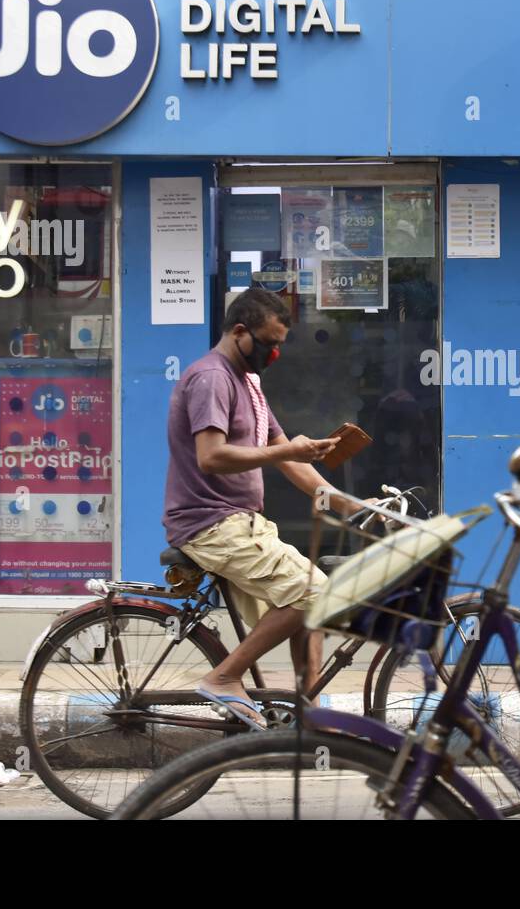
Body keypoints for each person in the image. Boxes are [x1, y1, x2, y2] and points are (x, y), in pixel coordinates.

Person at [162, 287, 355, 724]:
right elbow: (212, 456)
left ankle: (308, 716)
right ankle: (224, 678)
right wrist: (288, 453)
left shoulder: (249, 383)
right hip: (212, 524)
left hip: (243, 524)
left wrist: (349, 505)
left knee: (305, 607)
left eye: (281, 344)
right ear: (240, 332)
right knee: (315, 591)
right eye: (269, 343)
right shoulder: (211, 378)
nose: (275, 353)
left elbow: (285, 452)